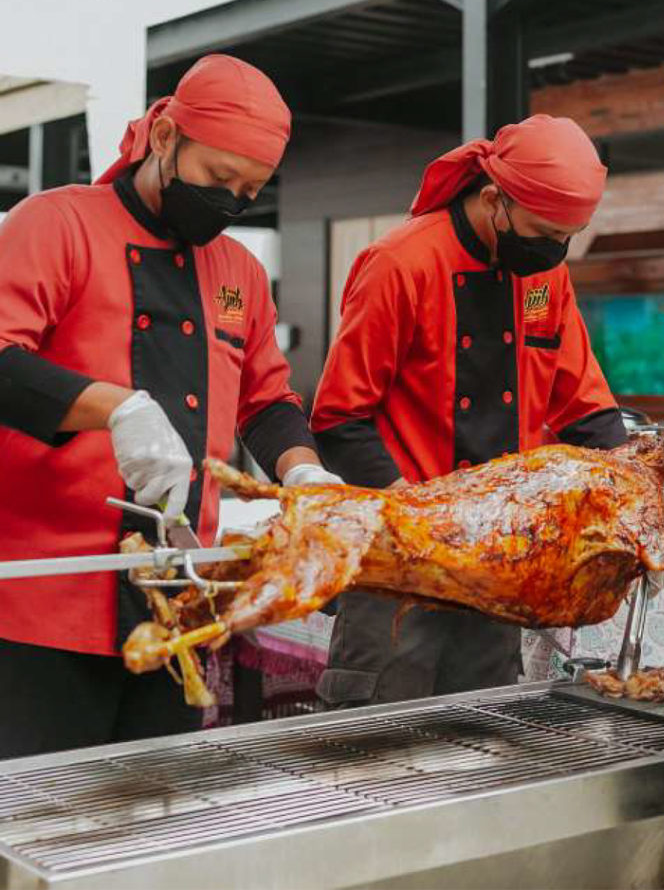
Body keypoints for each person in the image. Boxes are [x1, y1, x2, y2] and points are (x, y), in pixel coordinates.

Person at [0, 54, 339, 759]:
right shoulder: (56, 223)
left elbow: (267, 398)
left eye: (250, 190)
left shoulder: (239, 271)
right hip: (40, 605)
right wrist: (117, 410)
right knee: (34, 825)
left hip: (176, 604)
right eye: (219, 179)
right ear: (163, 138)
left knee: (150, 820)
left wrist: (305, 472)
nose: (232, 202)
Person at [311, 113, 628, 707]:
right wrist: (416, 515)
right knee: (378, 744)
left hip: (497, 558)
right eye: (544, 232)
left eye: (570, 235)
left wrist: (637, 496)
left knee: (481, 734)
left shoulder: (547, 278)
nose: (556, 250)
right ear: (493, 200)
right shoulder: (400, 263)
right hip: (401, 560)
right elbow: (338, 417)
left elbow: (584, 404)